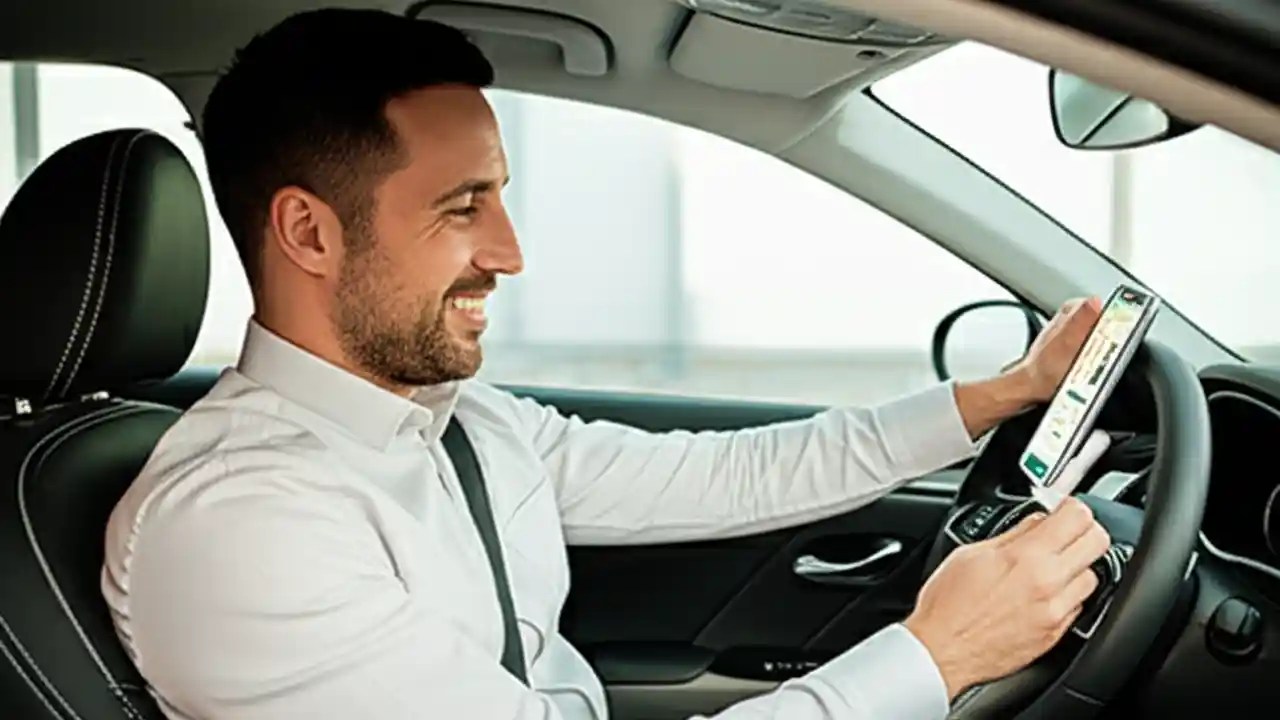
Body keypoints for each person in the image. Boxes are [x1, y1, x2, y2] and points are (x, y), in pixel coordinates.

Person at [102, 8, 1112, 720]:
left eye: (499, 196)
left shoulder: (458, 425)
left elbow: (726, 474)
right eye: (462, 207)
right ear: (308, 235)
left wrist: (1000, 395)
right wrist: (932, 657)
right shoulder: (238, 526)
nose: (509, 251)